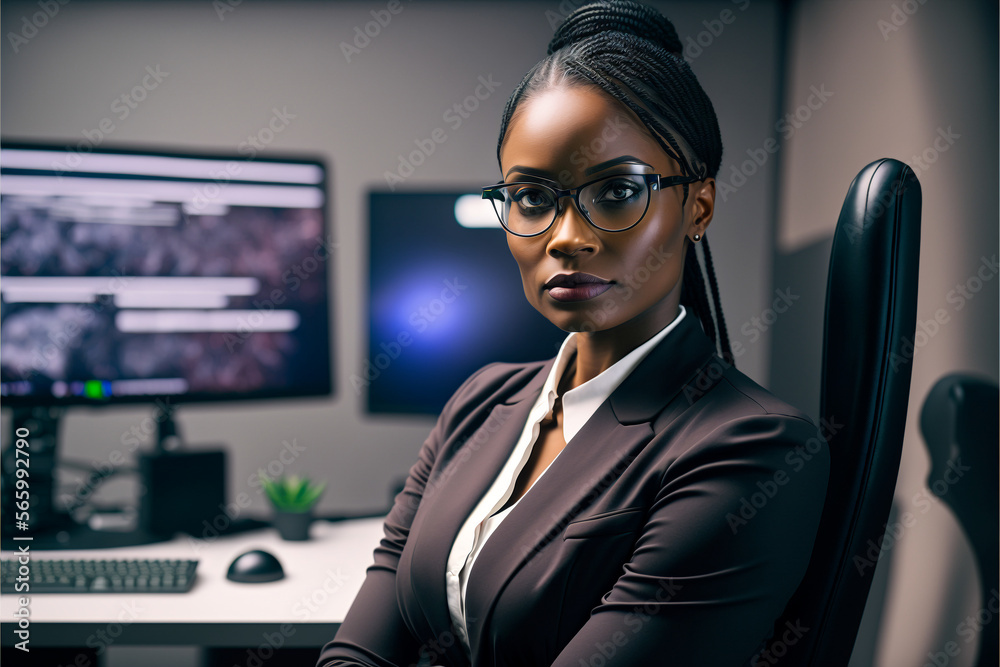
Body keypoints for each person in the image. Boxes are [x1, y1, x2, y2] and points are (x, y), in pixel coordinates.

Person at [317, 2, 829, 665]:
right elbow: (361, 646)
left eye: (616, 191)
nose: (566, 237)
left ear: (697, 205)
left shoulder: (752, 447)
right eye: (532, 197)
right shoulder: (480, 400)